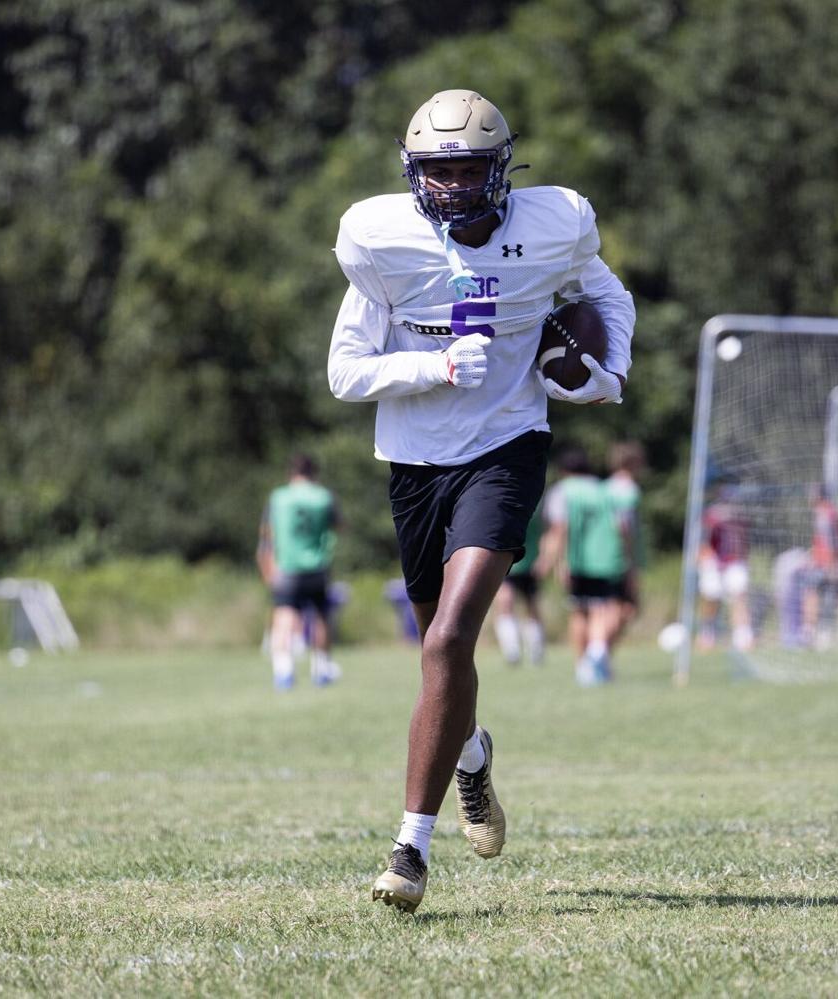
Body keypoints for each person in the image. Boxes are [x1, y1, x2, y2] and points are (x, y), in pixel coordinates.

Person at [327, 89, 634, 913]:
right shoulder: (378, 241)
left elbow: (607, 298)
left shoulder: (556, 224)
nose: (455, 185)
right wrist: (430, 367)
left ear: (501, 168)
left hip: (506, 446)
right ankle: (470, 759)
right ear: (412, 172)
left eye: (469, 169)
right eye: (439, 170)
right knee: (441, 653)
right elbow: (345, 372)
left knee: (449, 637)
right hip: (414, 461)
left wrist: (604, 374)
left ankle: (409, 848)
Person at [538, 445, 630, 686]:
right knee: (604, 609)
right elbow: (621, 526)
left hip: (579, 560)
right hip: (607, 558)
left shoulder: (563, 491)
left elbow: (560, 528)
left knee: (580, 611)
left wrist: (554, 561)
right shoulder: (605, 489)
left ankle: (583, 664)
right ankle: (598, 652)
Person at [256, 454, 341, 690]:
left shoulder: (278, 497)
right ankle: (321, 669)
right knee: (321, 617)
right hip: (317, 565)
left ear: (291, 473)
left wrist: (266, 567)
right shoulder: (324, 496)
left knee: (284, 615)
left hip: (287, 566)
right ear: (314, 473)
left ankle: (284, 672)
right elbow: (339, 526)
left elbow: (267, 535)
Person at [695, 480, 753, 652]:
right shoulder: (712, 515)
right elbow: (704, 539)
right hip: (713, 561)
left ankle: (742, 636)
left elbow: (743, 540)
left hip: (734, 561)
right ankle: (707, 633)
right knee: (711, 598)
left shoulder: (741, 516)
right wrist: (705, 558)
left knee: (739, 596)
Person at [490, 505, 547, 666]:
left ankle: (536, 649)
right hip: (506, 562)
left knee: (532, 606)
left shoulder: (537, 504)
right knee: (505, 602)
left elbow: (547, 531)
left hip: (530, 562)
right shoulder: (499, 503)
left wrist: (544, 558)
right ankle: (512, 650)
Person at [801, 484, 838, 649]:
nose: (809, 497)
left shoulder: (825, 513)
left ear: (818, 496)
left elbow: (831, 541)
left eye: (812, 494)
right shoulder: (831, 511)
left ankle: (809, 633)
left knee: (812, 593)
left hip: (828, 564)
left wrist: (832, 563)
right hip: (837, 562)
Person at [604, 441, 646, 648]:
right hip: (620, 557)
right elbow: (624, 528)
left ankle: (600, 656)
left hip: (601, 556)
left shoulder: (605, 487)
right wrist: (631, 562)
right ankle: (598, 654)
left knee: (610, 607)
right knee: (625, 608)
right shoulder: (629, 490)